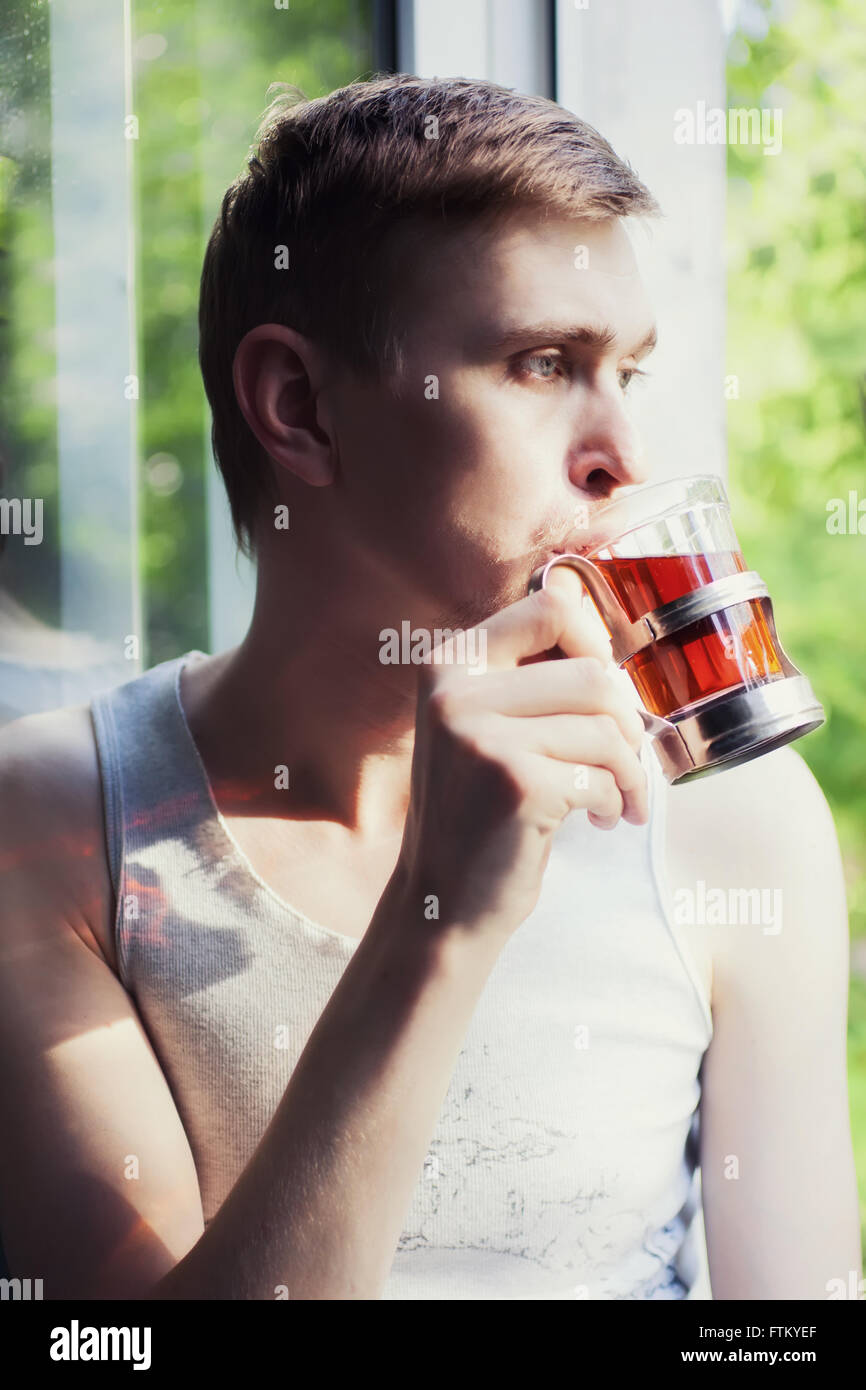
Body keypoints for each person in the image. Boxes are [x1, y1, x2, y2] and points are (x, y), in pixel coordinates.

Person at [0, 74, 859, 1301]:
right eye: (542, 363)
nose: (625, 455)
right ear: (298, 408)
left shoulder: (730, 819)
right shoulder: (49, 828)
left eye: (629, 372)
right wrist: (440, 920)